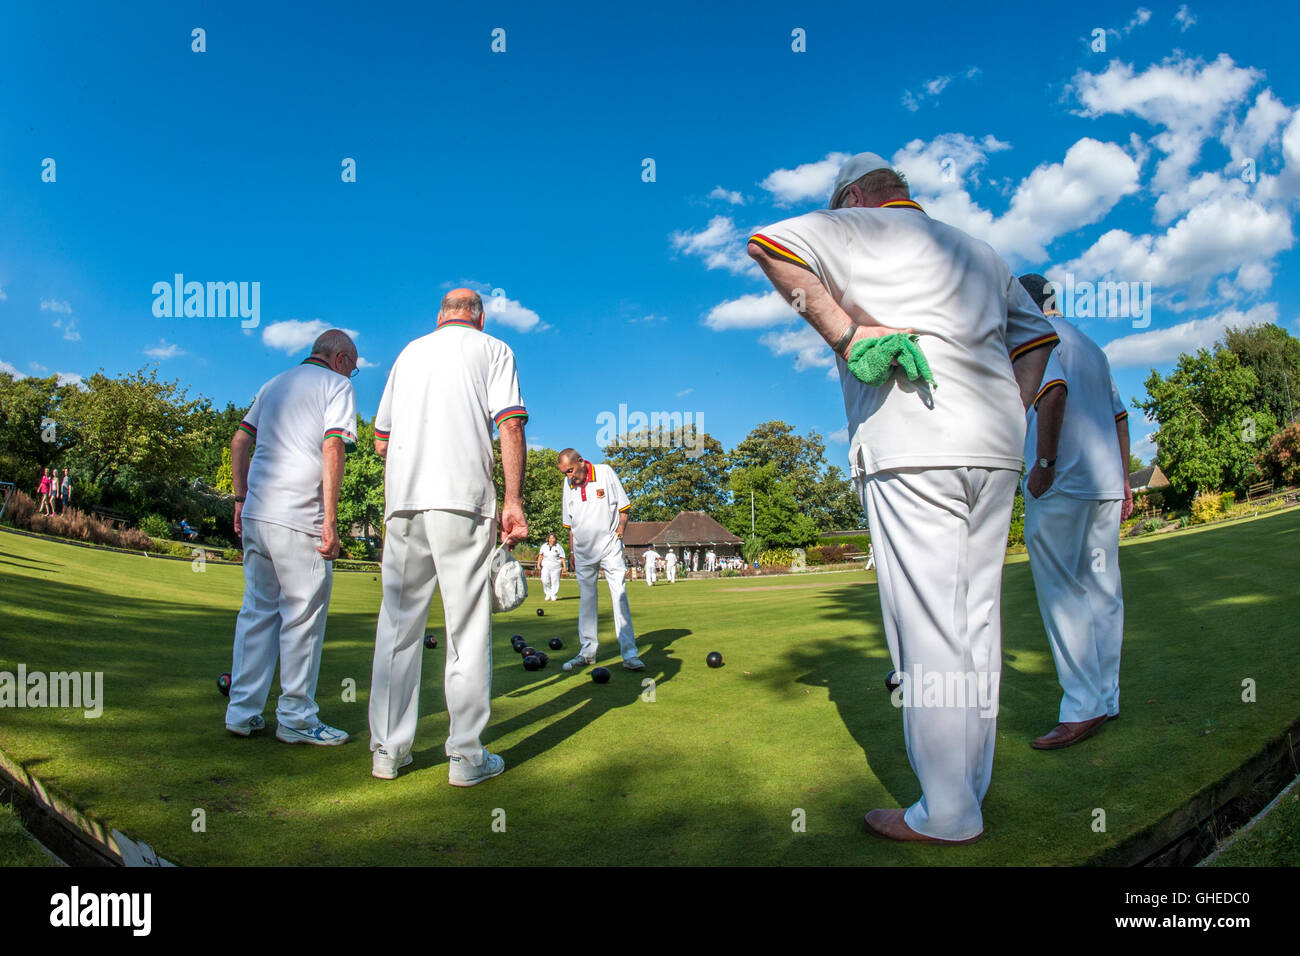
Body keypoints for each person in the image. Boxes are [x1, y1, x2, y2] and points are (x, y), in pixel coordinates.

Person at [748, 152, 1056, 845]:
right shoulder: (978, 248)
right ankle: (967, 791)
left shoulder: (857, 226)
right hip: (994, 445)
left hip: (913, 442)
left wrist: (848, 332)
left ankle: (946, 812)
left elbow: (769, 243)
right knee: (977, 623)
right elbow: (1036, 335)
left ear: (855, 196)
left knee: (929, 632)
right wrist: (1015, 399)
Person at [369, 289, 528, 784]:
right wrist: (514, 500)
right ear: (480, 317)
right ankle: (465, 757)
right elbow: (511, 424)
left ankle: (387, 753)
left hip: (402, 502)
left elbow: (380, 440)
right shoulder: (495, 349)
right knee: (467, 629)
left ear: (439, 316)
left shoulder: (409, 352)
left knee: (398, 628)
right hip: (462, 498)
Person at [226, 329, 360, 745]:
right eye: (352, 369)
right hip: (300, 516)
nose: (351, 376)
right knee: (302, 616)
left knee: (257, 612)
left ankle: (242, 712)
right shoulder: (336, 386)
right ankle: (297, 718)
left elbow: (239, 441)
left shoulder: (273, 384)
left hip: (257, 514)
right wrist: (331, 519)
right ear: (339, 359)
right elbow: (333, 446)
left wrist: (239, 498)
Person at [1017, 274, 1132, 750]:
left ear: (1024, 303)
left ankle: (1083, 707)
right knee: (1104, 591)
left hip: (1061, 484)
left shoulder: (1033, 338)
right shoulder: (1092, 345)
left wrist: (1044, 465)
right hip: (1103, 484)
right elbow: (1120, 417)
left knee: (1063, 594)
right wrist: (1125, 481)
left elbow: (1054, 391)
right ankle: (1106, 697)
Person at [556, 449, 644, 672]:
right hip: (583, 552)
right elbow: (570, 523)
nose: (569, 477)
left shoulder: (605, 473)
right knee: (587, 601)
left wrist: (620, 532)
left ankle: (630, 654)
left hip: (609, 548)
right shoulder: (568, 485)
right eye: (564, 473)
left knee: (619, 597)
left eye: (571, 471)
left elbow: (624, 508)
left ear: (581, 462)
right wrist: (573, 552)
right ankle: (587, 652)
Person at [537, 532, 566, 602]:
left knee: (555, 581)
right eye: (551, 538)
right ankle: (548, 593)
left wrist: (564, 566)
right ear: (548, 539)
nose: (552, 539)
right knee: (544, 580)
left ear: (556, 539)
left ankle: (553, 595)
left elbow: (562, 557)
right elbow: (540, 555)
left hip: (556, 567)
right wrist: (538, 564)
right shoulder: (544, 546)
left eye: (553, 538)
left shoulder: (559, 547)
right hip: (546, 566)